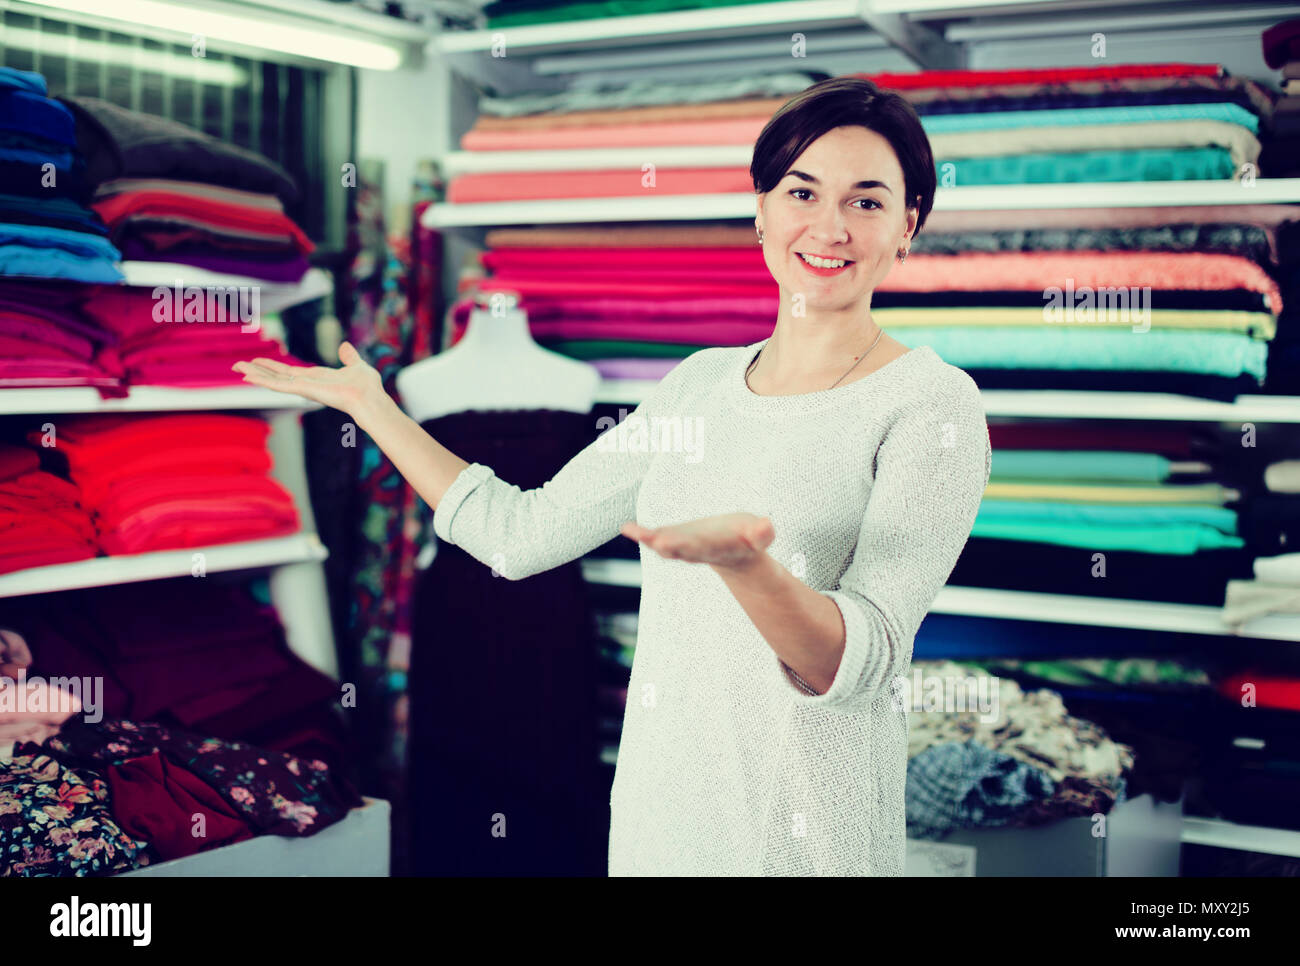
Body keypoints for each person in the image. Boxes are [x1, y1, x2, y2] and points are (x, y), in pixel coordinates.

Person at [233, 76, 991, 876]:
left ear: (909, 226)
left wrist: (747, 568)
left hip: (798, 846)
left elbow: (859, 662)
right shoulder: (699, 384)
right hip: (657, 831)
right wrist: (375, 407)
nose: (829, 225)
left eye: (867, 202)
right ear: (761, 210)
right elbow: (517, 535)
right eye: (802, 191)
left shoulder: (929, 405)